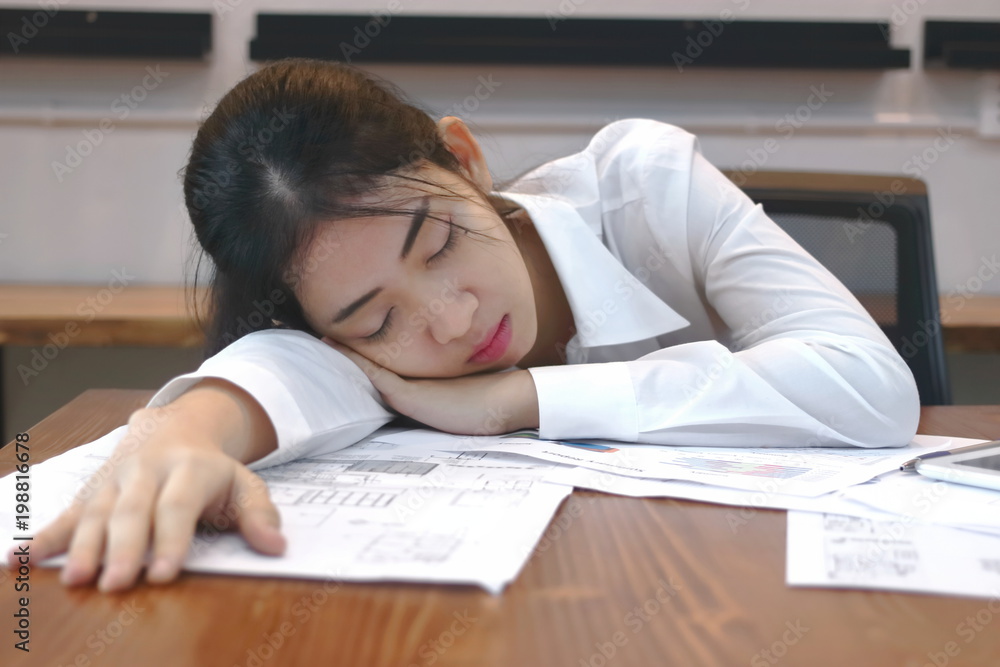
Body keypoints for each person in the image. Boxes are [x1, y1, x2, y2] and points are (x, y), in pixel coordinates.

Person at [10, 58, 919, 592]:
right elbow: (279, 371)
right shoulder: (340, 347)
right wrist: (185, 433)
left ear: (465, 159)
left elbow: (871, 387)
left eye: (439, 240)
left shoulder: (646, 188)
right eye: (375, 319)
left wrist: (517, 398)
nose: (450, 319)